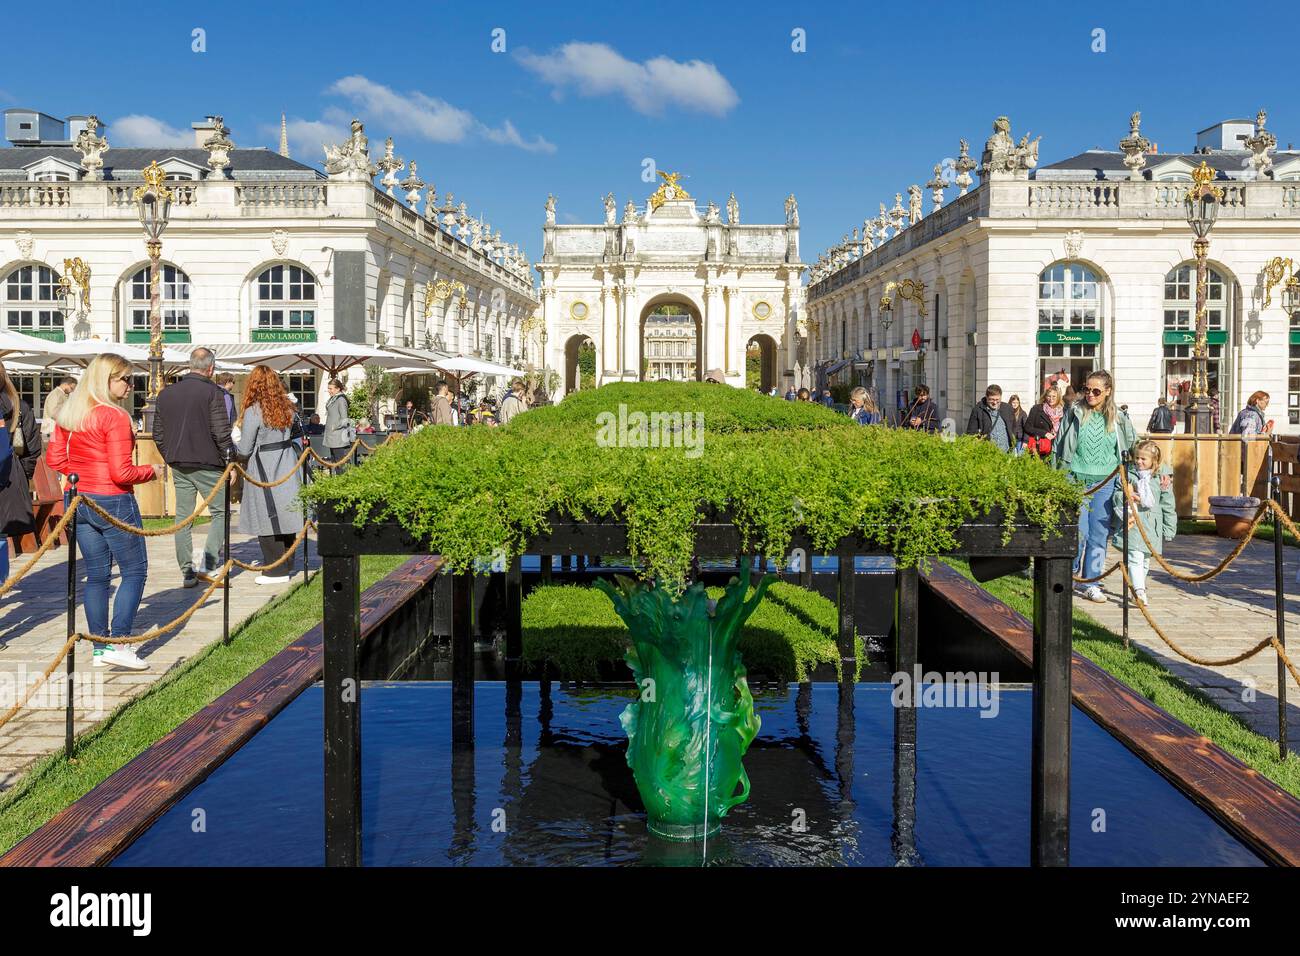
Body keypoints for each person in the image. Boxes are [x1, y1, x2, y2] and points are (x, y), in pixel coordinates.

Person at [47, 354, 162, 670]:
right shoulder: (114, 417)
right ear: (106, 379)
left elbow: (55, 459)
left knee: (97, 575)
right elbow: (122, 472)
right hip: (112, 500)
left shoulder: (70, 413)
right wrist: (152, 471)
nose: (131, 385)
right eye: (126, 379)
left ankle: (100, 645)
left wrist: (80, 471)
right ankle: (119, 642)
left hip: (80, 498)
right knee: (134, 570)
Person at [1053, 369, 1137, 604]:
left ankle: (1091, 582)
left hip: (1105, 482)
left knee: (1099, 535)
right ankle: (1070, 577)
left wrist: (1138, 478)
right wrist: (1056, 476)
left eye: (1096, 391)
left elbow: (1133, 449)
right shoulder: (1074, 412)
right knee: (1078, 533)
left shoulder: (1119, 418)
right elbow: (1059, 445)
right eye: (1086, 389)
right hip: (1075, 479)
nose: (1090, 394)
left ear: (1108, 392)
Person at [152, 347, 233, 589]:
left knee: (183, 517)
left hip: (179, 461)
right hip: (208, 462)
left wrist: (170, 455)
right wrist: (230, 460)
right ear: (210, 368)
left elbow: (158, 433)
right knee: (220, 513)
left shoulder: (166, 394)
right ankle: (208, 566)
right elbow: (221, 431)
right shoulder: (213, 392)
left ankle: (187, 572)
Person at [236, 366, 305, 585]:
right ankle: (287, 562)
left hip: (264, 464)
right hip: (287, 461)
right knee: (286, 511)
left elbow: (245, 448)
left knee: (265, 514)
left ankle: (276, 570)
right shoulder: (289, 408)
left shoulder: (254, 411)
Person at [1112, 440, 1176, 607]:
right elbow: (1117, 494)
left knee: (1145, 560)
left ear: (1154, 461)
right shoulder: (1128, 475)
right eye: (1137, 458)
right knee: (1135, 557)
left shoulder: (1162, 480)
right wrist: (1126, 497)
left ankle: (1135, 587)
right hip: (1134, 523)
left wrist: (1169, 528)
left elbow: (1168, 504)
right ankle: (1140, 591)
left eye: (1143, 459)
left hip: (1152, 526)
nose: (1139, 462)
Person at [0, 362, 41, 555]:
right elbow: (30, 450)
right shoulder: (19, 407)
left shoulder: (19, 409)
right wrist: (20, 477)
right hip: (9, 481)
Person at [965, 385, 1018, 451]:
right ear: (986, 397)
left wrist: (1013, 442)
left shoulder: (1007, 408)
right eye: (992, 399)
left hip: (1007, 452)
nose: (995, 402)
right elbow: (971, 433)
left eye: (997, 400)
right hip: (988, 453)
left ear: (1001, 397)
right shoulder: (978, 410)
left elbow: (1014, 427)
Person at [1023, 386, 1063, 457]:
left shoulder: (1062, 412)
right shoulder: (1037, 409)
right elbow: (1027, 427)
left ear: (1058, 397)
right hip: (1040, 448)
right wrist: (1044, 433)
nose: (1051, 399)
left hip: (1056, 447)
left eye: (1054, 396)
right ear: (1045, 396)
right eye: (1049, 396)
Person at [323, 378, 355, 461]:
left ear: (338, 389)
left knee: (340, 463)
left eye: (331, 388)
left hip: (338, 437)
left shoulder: (341, 400)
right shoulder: (333, 399)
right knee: (334, 462)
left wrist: (334, 427)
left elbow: (344, 419)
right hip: (332, 436)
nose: (329, 391)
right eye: (328, 388)